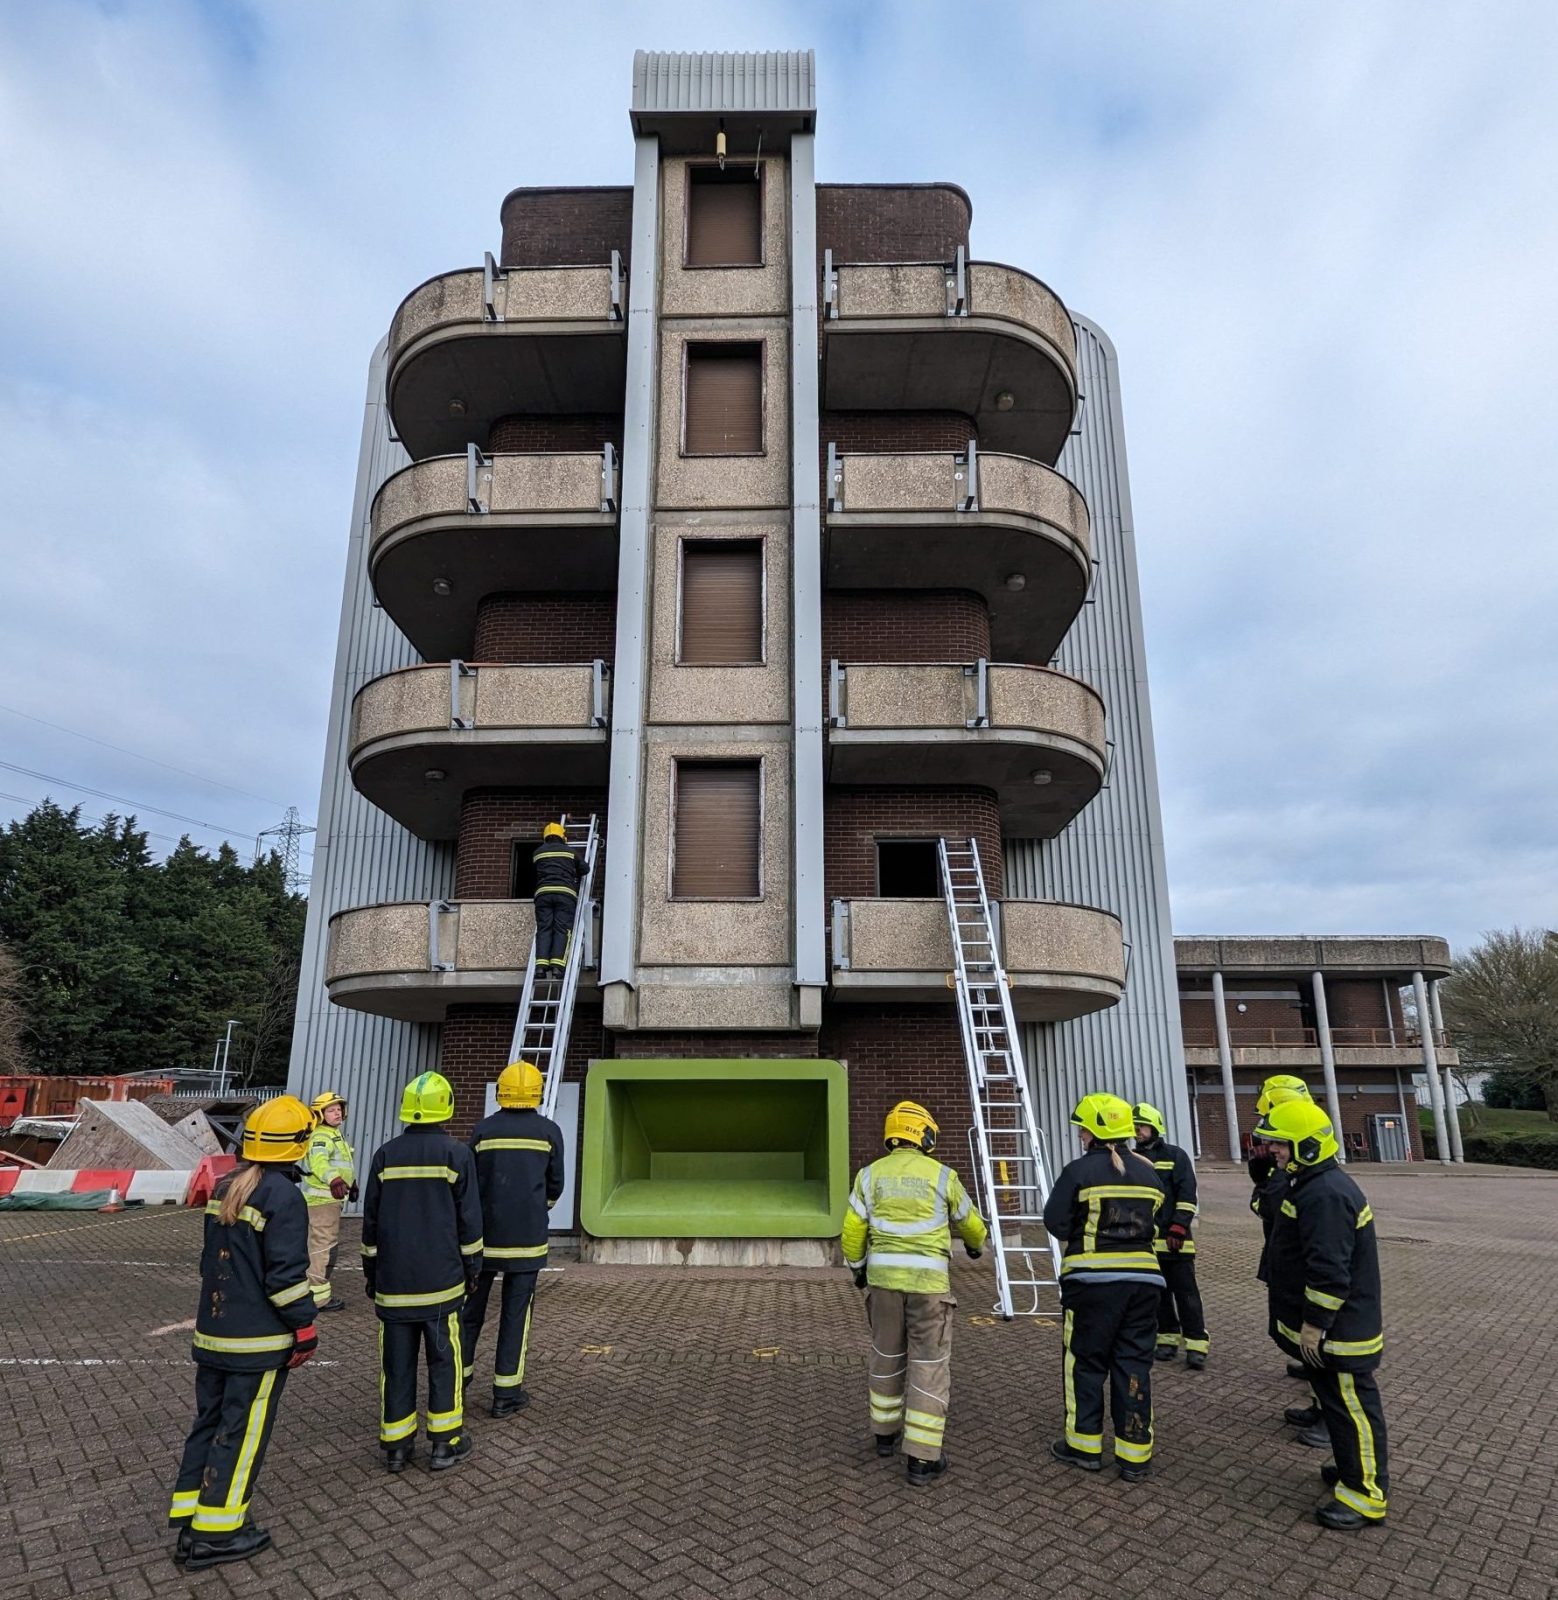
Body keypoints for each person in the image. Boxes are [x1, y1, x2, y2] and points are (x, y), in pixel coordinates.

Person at [168, 1095, 319, 1571]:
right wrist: (306, 1327)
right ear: (298, 1145)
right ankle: (219, 1533)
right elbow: (286, 1277)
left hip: (213, 1336)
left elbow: (207, 1263)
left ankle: (192, 1523)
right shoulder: (285, 1196)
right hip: (257, 1344)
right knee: (243, 1433)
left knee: (209, 1423)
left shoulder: (227, 1185)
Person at [1253, 1097, 1389, 1529]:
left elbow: (1329, 1273)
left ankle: (1366, 1494)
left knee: (1353, 1410)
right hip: (1335, 1330)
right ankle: (1352, 1470)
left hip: (1340, 1332)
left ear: (1307, 1146)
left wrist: (1314, 1324)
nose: (1273, 1149)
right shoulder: (1311, 1185)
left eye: (1280, 1144)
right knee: (1337, 1406)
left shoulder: (1326, 1195)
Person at [840, 1100, 988, 1486]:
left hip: (883, 1285)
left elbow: (853, 1232)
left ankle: (884, 1436)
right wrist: (975, 1246)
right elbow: (970, 1224)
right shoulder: (942, 1176)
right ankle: (922, 1460)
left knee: (886, 1356)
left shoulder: (869, 1175)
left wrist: (858, 1272)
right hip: (928, 1291)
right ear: (923, 1133)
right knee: (929, 1366)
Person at [361, 1071, 484, 1473]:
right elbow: (469, 1222)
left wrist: (371, 1272)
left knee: (395, 1366)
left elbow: (372, 1223)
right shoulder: (456, 1154)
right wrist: (473, 1269)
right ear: (445, 1107)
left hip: (393, 1285)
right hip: (441, 1282)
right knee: (444, 1361)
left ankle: (397, 1447)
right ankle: (445, 1443)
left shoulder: (384, 1155)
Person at [1043, 1092, 1168, 1482]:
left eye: (1083, 1128)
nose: (1079, 1134)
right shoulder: (1150, 1173)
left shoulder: (1079, 1172)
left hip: (1091, 1285)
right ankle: (1135, 1455)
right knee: (1133, 1365)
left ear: (1095, 1132)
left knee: (1086, 1362)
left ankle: (1084, 1446)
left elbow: (1055, 1222)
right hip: (1145, 1284)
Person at [463, 1059, 565, 1416]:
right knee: (516, 1314)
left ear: (500, 1091)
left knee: (470, 1312)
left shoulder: (482, 1131)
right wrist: (537, 1209)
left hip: (483, 1240)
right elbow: (555, 1186)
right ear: (536, 1092)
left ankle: (456, 1386)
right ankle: (506, 1393)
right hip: (527, 1239)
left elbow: (469, 1186)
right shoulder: (549, 1132)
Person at [1249, 1074, 1328, 1445]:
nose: (1269, 1145)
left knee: (1320, 1350)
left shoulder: (1305, 1183)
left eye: (1274, 1141)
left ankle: (1329, 1415)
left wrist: (1264, 1179)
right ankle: (1320, 1402)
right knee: (1305, 1345)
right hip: (1288, 1261)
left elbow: (1268, 1208)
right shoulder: (1300, 1170)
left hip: (1299, 1272)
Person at [1133, 1102, 1208, 1369]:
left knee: (1186, 1294)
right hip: (1148, 1242)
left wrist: (1178, 1226)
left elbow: (1187, 1196)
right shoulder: (1133, 1158)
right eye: (1134, 1127)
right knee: (1159, 1296)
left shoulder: (1176, 1156)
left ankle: (1197, 1344)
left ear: (1154, 1127)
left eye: (1140, 1126)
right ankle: (1167, 1340)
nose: (1137, 1131)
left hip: (1176, 1241)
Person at [301, 1090, 357, 1312]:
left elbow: (342, 1165)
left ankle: (313, 1293)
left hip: (329, 1201)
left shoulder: (335, 1135)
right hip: (321, 1202)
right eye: (331, 1110)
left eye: (339, 1109)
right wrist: (334, 1179)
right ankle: (318, 1299)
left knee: (322, 1247)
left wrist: (351, 1185)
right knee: (322, 1249)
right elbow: (319, 1163)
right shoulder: (322, 1136)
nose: (338, 1113)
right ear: (320, 1114)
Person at [532, 820, 580, 980]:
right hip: (565, 894)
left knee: (544, 929)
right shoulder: (569, 852)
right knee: (562, 929)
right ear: (562, 836)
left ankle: (540, 967)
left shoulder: (538, 852)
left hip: (543, 894)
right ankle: (557, 967)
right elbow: (585, 869)